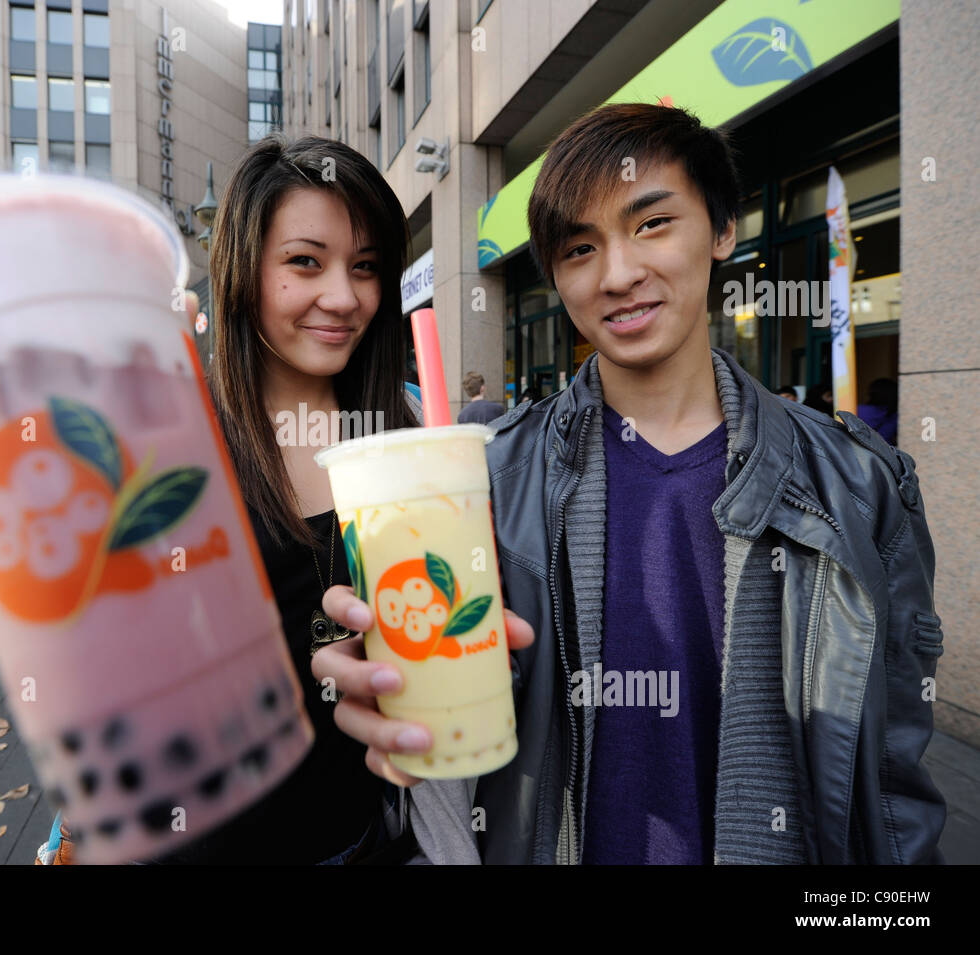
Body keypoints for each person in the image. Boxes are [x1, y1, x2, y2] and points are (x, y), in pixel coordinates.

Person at [0, 135, 423, 865]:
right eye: (304, 261)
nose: (343, 295)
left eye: (366, 267)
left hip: (355, 837)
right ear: (244, 274)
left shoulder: (409, 434)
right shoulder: (165, 440)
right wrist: (38, 570)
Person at [313, 102, 945, 864]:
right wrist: (397, 697)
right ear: (555, 275)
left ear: (721, 230)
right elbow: (452, 761)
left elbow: (893, 783)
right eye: (580, 247)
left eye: (651, 224)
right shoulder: (484, 482)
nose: (618, 275)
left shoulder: (859, 484)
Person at [857, 377, 898, 446]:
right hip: (885, 453)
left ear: (871, 393)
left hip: (859, 452)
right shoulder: (895, 415)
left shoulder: (857, 409)